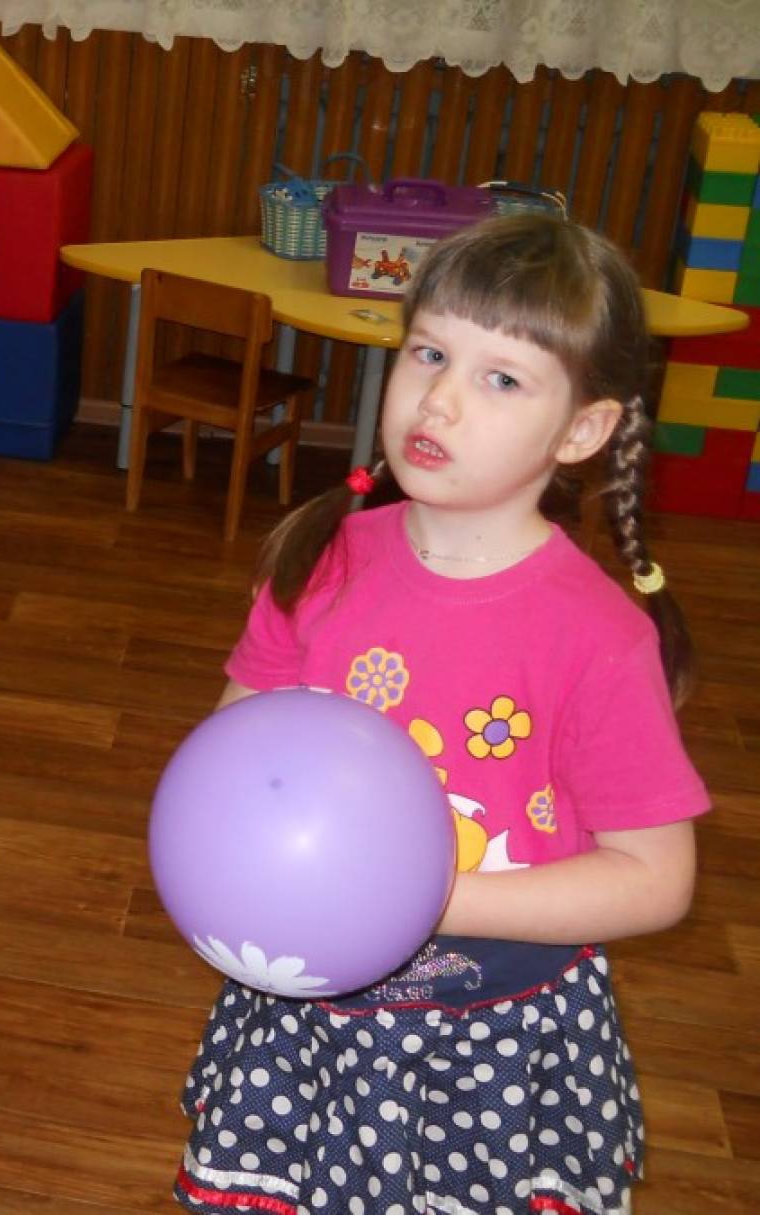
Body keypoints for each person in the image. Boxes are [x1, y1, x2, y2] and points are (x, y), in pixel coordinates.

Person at [173, 214, 709, 1215]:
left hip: (487, 1032)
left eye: (501, 378)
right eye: (428, 353)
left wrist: (420, 896)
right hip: (309, 1015)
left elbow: (654, 879)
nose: (441, 399)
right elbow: (232, 765)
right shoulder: (319, 561)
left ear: (581, 430)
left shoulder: (599, 639)